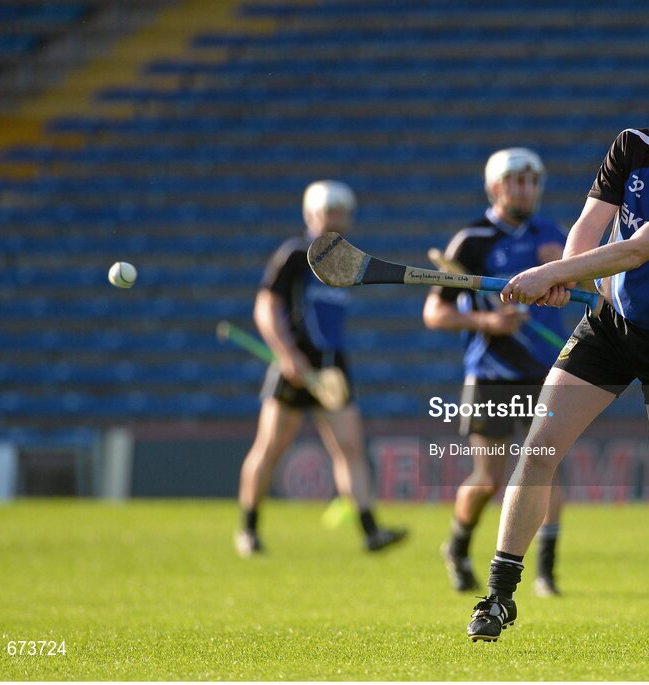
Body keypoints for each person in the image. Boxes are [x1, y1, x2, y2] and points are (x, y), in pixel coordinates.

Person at [465, 54, 649, 653]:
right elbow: (593, 226)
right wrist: (563, 276)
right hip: (609, 323)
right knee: (538, 449)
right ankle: (498, 595)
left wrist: (549, 272)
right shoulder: (631, 146)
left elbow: (636, 251)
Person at [423, 148, 570, 598]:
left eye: (532, 182)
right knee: (488, 479)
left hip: (545, 372)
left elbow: (586, 287)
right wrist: (487, 321)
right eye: (516, 181)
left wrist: (565, 267)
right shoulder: (471, 241)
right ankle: (458, 546)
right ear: (495, 187)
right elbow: (435, 313)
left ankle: (545, 573)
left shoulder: (553, 237)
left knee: (547, 472)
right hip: (490, 373)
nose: (525, 190)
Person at [235, 180, 407, 556]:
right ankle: (248, 529)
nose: (337, 219)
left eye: (343, 212)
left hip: (333, 368)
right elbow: (266, 307)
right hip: (294, 364)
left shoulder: (346, 259)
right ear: (312, 214)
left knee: (350, 447)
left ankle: (370, 531)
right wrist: (286, 354)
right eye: (330, 211)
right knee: (271, 446)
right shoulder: (295, 254)